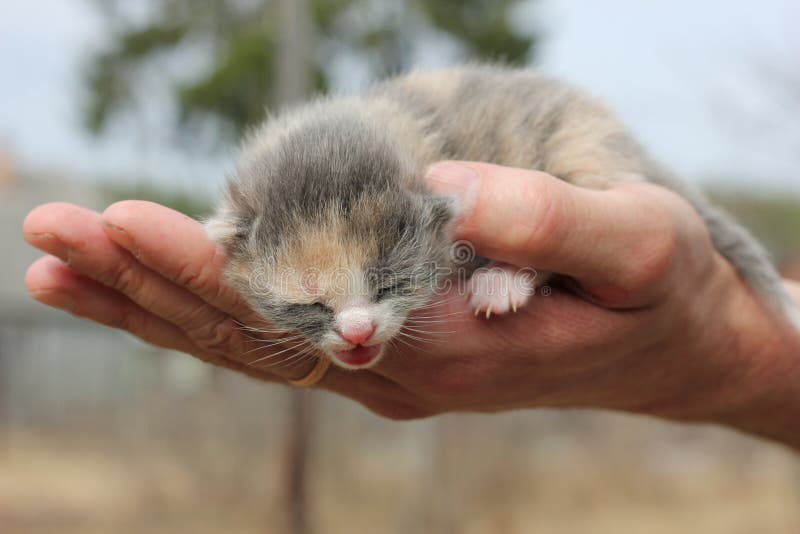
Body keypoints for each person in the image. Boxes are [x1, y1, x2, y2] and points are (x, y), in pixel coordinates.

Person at [22, 162, 800, 449]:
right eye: (314, 302)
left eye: (387, 288)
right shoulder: (264, 226)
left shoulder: (427, 202)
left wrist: (732, 349)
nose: (358, 326)